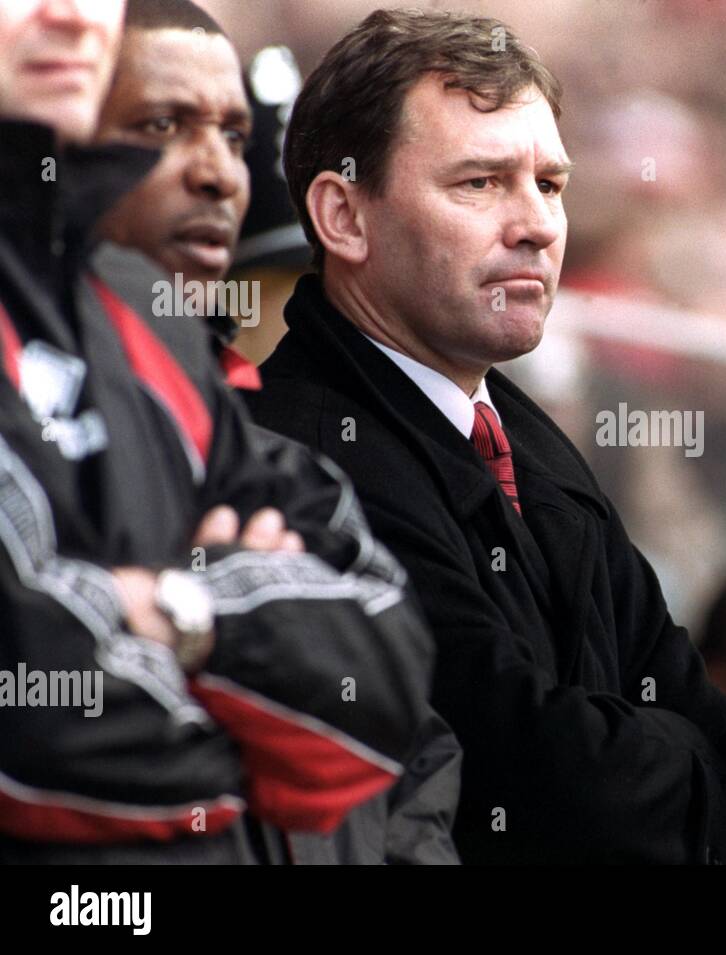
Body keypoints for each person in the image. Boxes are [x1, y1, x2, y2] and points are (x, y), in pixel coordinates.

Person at [246, 9, 726, 864]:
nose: (538, 225)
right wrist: (680, 764)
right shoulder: (301, 460)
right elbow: (544, 778)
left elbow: (692, 702)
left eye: (550, 185)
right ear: (343, 216)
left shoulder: (526, 440)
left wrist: (657, 754)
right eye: (479, 183)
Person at [0, 0, 434, 863]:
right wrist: (254, 741)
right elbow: (41, 718)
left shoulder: (165, 350)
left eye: (235, 137)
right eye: (161, 126)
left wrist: (174, 614)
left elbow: (387, 697)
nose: (217, 175)